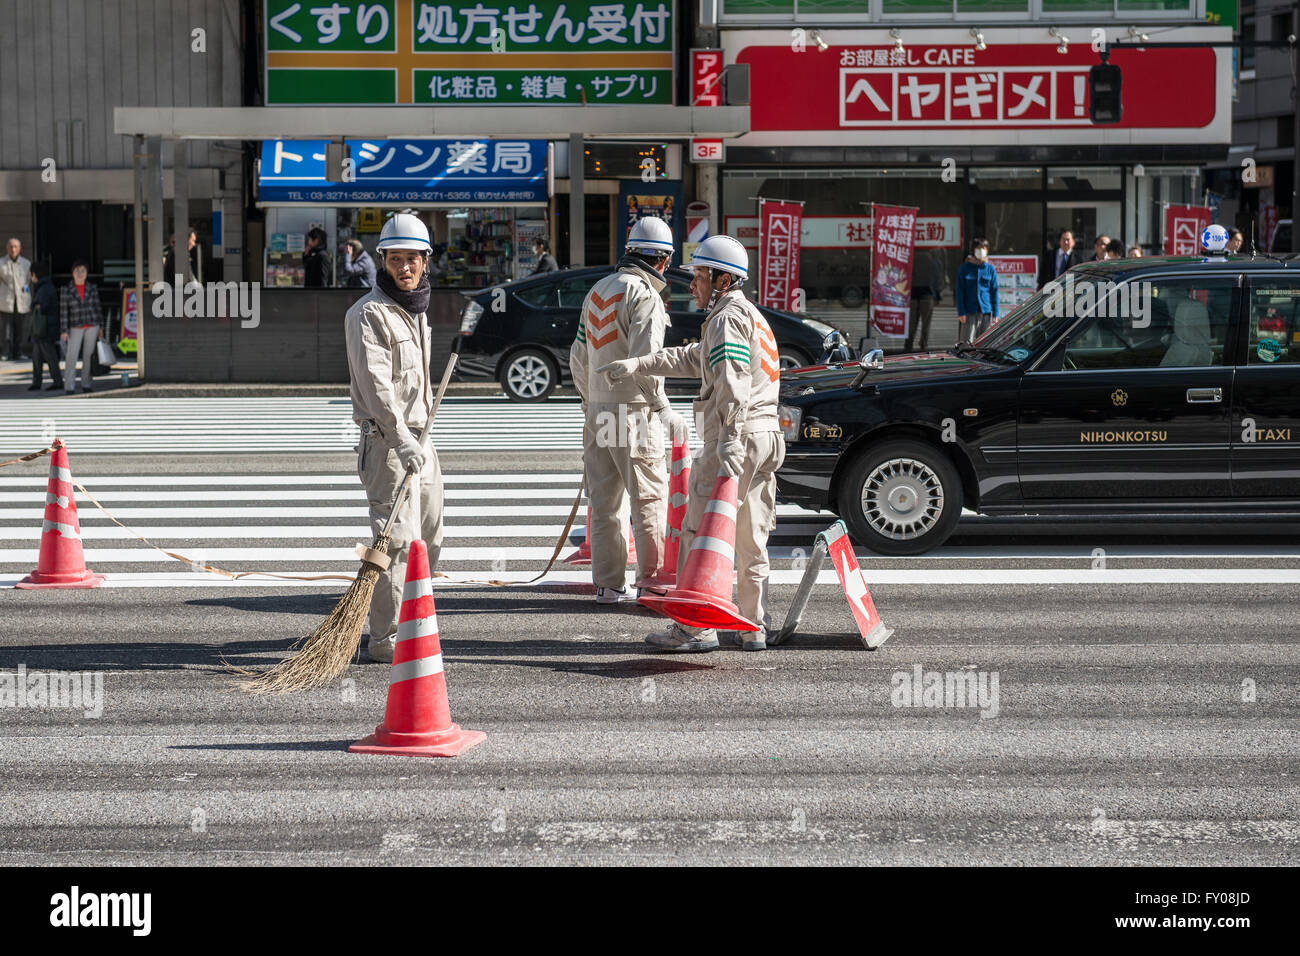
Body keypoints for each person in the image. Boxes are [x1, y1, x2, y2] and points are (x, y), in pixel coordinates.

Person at [598, 234, 784, 653]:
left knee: (698, 531)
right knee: (751, 536)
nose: (692, 284)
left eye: (699, 276)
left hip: (737, 435)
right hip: (766, 435)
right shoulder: (745, 314)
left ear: (722, 279)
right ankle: (753, 626)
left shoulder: (725, 319)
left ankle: (693, 629)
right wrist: (638, 363)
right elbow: (692, 358)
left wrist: (730, 438)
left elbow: (732, 379)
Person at [343, 213, 445, 664]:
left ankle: (415, 619)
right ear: (383, 261)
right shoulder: (368, 314)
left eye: (413, 259)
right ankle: (385, 638)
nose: (405, 267)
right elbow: (377, 386)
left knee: (431, 537)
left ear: (426, 261)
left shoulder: (416, 310)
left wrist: (419, 436)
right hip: (388, 446)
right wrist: (403, 438)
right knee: (395, 543)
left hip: (422, 444)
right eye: (396, 259)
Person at [568, 217, 678, 604]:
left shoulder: (597, 290)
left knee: (605, 503)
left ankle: (609, 584)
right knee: (647, 499)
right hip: (633, 411)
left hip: (598, 410)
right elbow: (646, 361)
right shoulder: (645, 295)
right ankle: (652, 582)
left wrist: (589, 400)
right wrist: (662, 407)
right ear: (663, 259)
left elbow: (578, 356)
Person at [60, 260, 103, 393]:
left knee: (88, 356)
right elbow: (63, 311)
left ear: (87, 273)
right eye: (77, 271)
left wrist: (100, 326)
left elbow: (97, 307)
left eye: (83, 271)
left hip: (92, 324)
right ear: (72, 273)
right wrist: (64, 330)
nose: (80, 274)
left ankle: (86, 384)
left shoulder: (92, 287)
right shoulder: (66, 289)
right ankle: (69, 386)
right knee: (71, 356)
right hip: (75, 326)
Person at [955, 237, 998, 344]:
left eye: (984, 248)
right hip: (969, 312)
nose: (981, 251)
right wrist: (961, 312)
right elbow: (959, 292)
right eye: (978, 248)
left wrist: (996, 313)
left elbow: (994, 292)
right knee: (966, 343)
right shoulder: (964, 268)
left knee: (984, 343)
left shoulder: (990, 269)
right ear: (973, 250)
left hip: (986, 312)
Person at [28, 263, 63, 391]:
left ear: (35, 274)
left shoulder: (44, 288)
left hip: (45, 329)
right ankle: (36, 382)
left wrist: (33, 306)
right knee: (36, 356)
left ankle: (57, 381)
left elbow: (41, 306)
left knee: (50, 356)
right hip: (43, 329)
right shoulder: (45, 286)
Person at [904, 248, 943, 352]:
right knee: (926, 325)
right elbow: (938, 280)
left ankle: (908, 346)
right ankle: (923, 346)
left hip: (912, 296)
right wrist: (938, 296)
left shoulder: (910, 260)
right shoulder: (934, 262)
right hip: (927, 296)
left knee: (911, 325)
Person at [0, 237, 32, 361]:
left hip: (21, 301)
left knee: (20, 329)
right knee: (6, 331)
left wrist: (28, 298)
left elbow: (28, 281)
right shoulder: (1, 263)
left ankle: (18, 353)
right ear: (7, 248)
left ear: (19, 249)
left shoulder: (26, 263)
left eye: (15, 247)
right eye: (11, 247)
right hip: (5, 301)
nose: (13, 249)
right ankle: (5, 353)